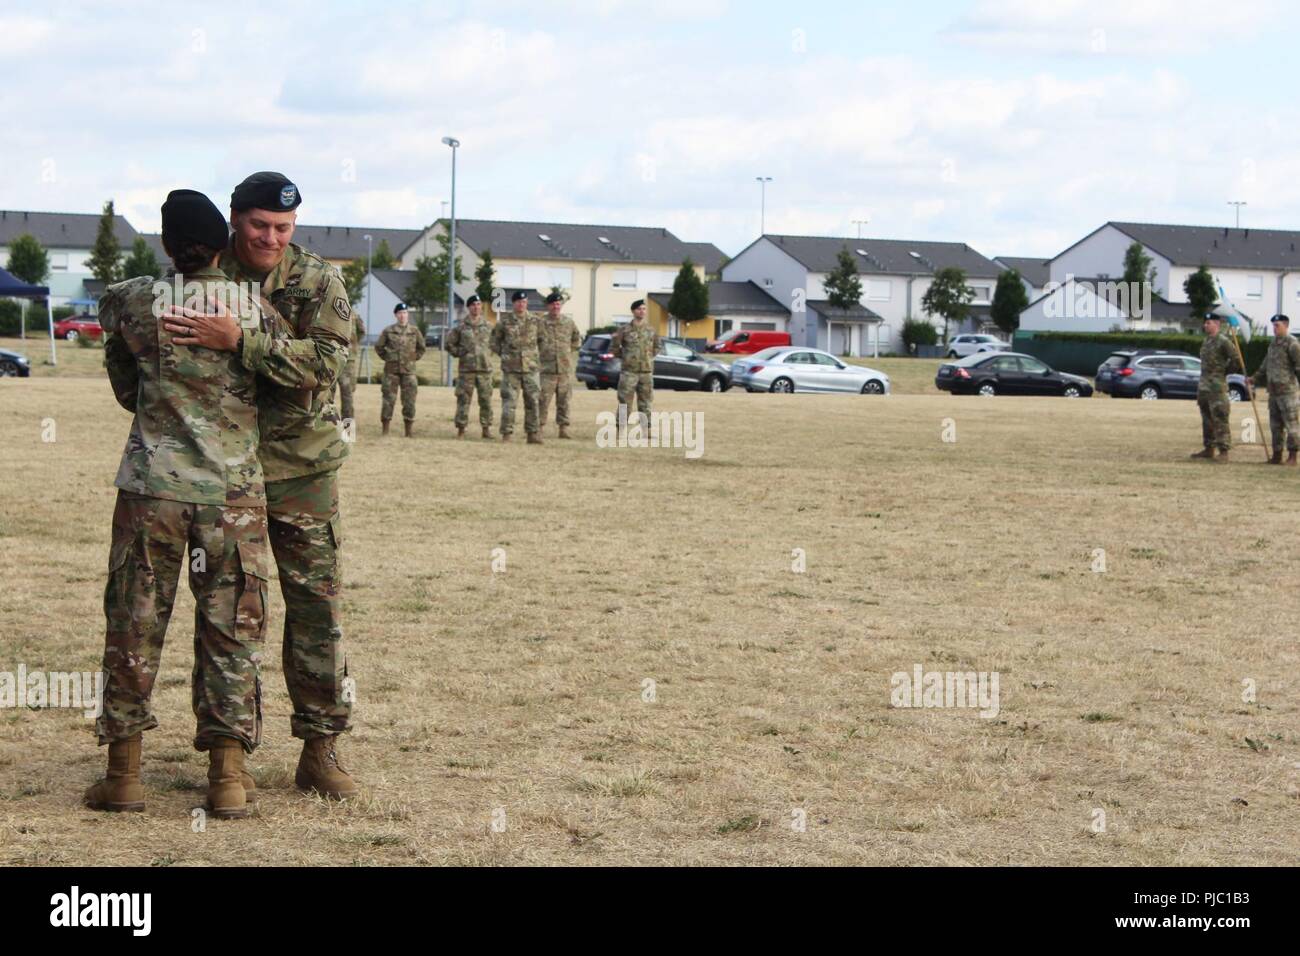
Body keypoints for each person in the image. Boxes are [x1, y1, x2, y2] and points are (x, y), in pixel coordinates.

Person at [163, 171, 359, 799]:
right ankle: (229, 755)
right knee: (232, 609)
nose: (271, 238)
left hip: (301, 467)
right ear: (234, 219)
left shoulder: (318, 281)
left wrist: (241, 341)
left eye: (283, 228)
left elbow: (325, 366)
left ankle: (320, 747)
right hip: (223, 469)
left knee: (316, 607)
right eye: (259, 225)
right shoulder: (201, 271)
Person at [89, 189, 269, 820]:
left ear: (166, 245)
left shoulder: (133, 300)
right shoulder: (253, 308)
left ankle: (124, 777)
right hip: (232, 497)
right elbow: (285, 381)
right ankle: (227, 778)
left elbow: (122, 378)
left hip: (152, 491)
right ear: (224, 245)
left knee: (134, 624)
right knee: (231, 629)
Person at [490, 290, 545, 444]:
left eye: (524, 302)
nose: (522, 304)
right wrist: (505, 355)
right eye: (519, 302)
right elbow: (494, 342)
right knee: (509, 402)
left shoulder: (536, 321)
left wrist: (533, 356)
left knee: (533, 401)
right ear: (513, 303)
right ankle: (506, 434)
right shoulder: (504, 322)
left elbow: (543, 340)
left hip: (530, 369)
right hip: (511, 370)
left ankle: (532, 434)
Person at [1191, 306, 1242, 461]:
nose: (1205, 325)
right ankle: (1209, 448)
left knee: (1220, 418)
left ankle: (1224, 451)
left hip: (1217, 387)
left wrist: (1224, 372)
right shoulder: (1207, 341)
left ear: (1217, 324)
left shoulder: (1223, 341)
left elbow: (1236, 360)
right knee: (1207, 419)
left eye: (1209, 323)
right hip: (1204, 386)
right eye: (1205, 323)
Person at [1251, 313, 1300, 465]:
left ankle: (1292, 456)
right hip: (1273, 392)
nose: (1274, 328)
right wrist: (1254, 378)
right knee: (1275, 426)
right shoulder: (1273, 344)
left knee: (1291, 425)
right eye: (1273, 325)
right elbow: (1266, 365)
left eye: (1277, 325)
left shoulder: (1292, 343)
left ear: (1286, 325)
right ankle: (1277, 455)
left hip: (1288, 392)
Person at [445, 293, 494, 438]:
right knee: (463, 400)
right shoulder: (461, 326)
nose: (476, 307)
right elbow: (449, 344)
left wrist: (489, 354)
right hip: (467, 370)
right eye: (473, 305)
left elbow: (497, 343)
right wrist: (459, 352)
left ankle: (486, 429)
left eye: (478, 305)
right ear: (468, 307)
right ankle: (461, 429)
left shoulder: (488, 326)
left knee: (486, 400)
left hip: (484, 370)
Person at [375, 302, 426, 437]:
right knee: (388, 400)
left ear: (407, 314)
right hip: (391, 372)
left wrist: (412, 359)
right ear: (396, 315)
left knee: (409, 401)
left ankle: (408, 431)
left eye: (405, 313)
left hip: (409, 372)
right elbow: (379, 347)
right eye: (400, 313)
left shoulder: (414, 331)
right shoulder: (388, 331)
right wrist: (388, 358)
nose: (402, 316)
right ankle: (385, 430)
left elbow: (421, 348)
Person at [610, 299, 660, 431]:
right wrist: (626, 357)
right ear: (633, 311)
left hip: (646, 372)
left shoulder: (651, 330)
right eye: (639, 309)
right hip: (629, 372)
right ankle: (621, 429)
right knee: (625, 402)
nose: (642, 311)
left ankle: (646, 430)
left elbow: (657, 347)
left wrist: (648, 357)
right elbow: (614, 348)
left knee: (646, 403)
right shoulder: (624, 330)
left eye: (644, 309)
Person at [538, 291, 582, 439]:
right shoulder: (540, 323)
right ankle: (539, 428)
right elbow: (532, 341)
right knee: (542, 401)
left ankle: (563, 429)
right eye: (553, 304)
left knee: (564, 401)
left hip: (564, 370)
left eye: (558, 304)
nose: (556, 306)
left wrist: (568, 351)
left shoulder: (568, 322)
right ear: (548, 306)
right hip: (546, 370)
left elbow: (576, 338)